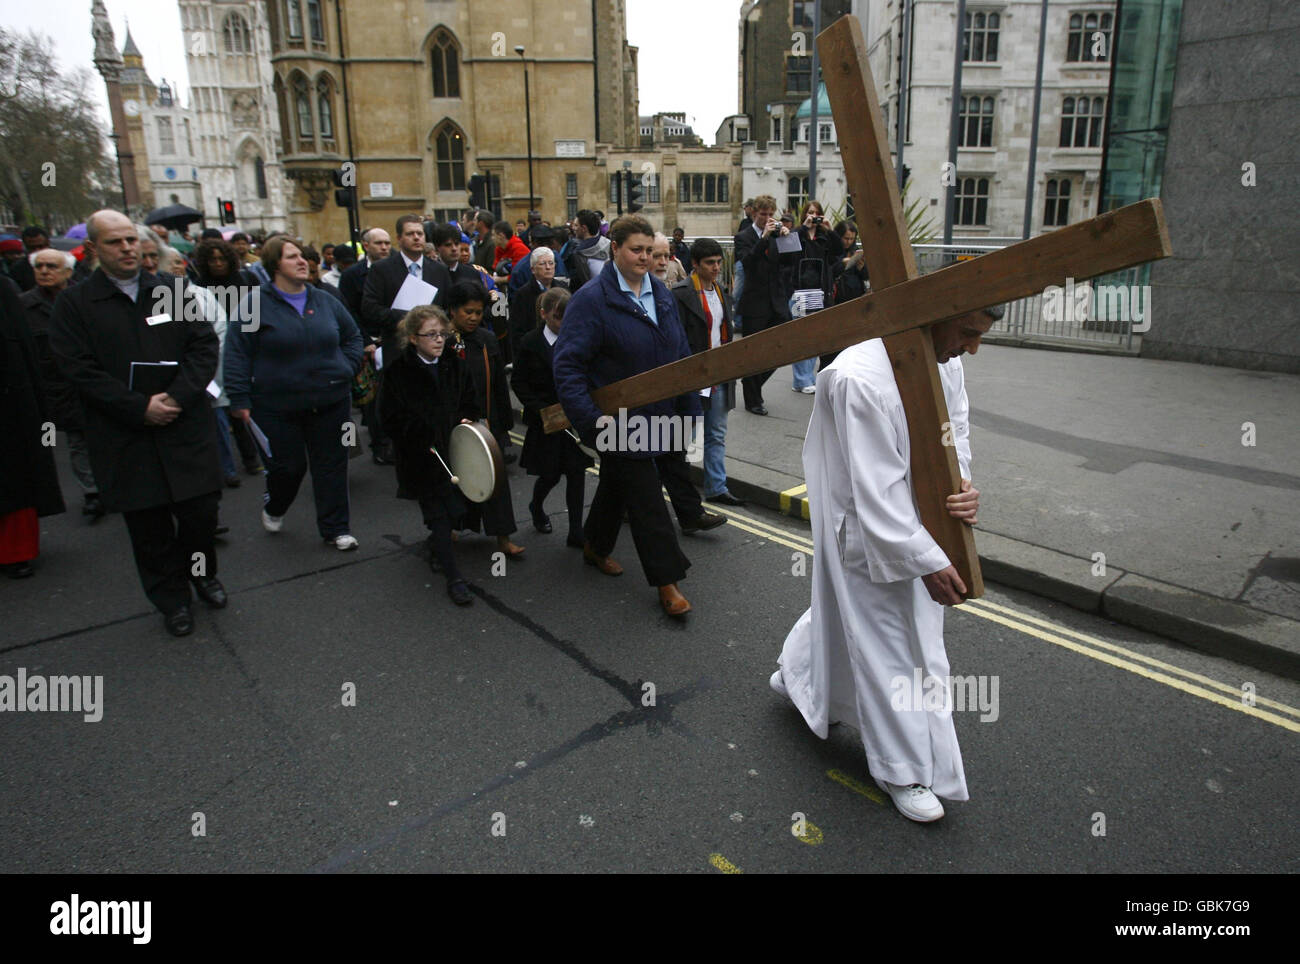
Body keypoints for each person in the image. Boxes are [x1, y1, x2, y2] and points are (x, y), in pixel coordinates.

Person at [770, 306, 999, 823]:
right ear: (939, 316)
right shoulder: (857, 378)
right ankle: (903, 770)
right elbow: (872, 486)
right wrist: (926, 560)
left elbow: (954, 432)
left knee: (856, 619)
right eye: (968, 333)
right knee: (894, 650)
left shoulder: (946, 359)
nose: (973, 348)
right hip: (869, 532)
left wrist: (960, 486)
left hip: (921, 526)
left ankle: (797, 672)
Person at [49, 210, 225, 636]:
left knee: (201, 514)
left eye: (131, 239)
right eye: (115, 242)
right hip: (125, 434)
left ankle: (201, 574)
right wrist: (137, 406)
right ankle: (172, 599)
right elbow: (79, 370)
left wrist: (176, 397)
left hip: (184, 425)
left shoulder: (171, 290)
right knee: (148, 527)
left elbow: (203, 348)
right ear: (93, 250)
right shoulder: (76, 304)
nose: (127, 249)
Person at [553, 215, 701, 617]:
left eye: (649, 251)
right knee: (647, 497)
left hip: (662, 414)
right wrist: (588, 419)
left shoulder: (661, 292)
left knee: (618, 487)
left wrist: (688, 407)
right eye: (636, 250)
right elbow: (567, 366)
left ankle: (595, 546)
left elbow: (680, 353)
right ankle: (668, 582)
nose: (644, 257)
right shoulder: (590, 300)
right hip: (615, 421)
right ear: (614, 249)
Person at [223, 236, 365, 551]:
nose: (302, 261)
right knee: (288, 467)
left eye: (302, 256)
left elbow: (353, 335)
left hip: (331, 399)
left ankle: (336, 529)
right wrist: (239, 398)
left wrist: (345, 367)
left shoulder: (325, 300)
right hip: (275, 404)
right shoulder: (253, 304)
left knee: (332, 464)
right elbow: (236, 353)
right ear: (274, 265)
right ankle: (275, 505)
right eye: (292, 257)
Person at [379, 305, 480, 606]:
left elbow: (470, 401)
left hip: (454, 452)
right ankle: (454, 579)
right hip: (421, 457)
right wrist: (419, 435)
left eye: (442, 334)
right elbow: (388, 418)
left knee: (454, 512)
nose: (439, 340)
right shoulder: (397, 373)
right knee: (439, 515)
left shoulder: (454, 364)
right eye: (431, 335)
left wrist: (467, 419)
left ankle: (437, 548)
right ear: (412, 338)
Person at [444, 280, 524, 558]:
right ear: (452, 310)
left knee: (495, 481)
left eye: (479, 312)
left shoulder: (486, 340)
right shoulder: (441, 342)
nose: (474, 317)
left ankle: (503, 538)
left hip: (487, 423)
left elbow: (500, 386)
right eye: (468, 312)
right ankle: (449, 532)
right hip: (454, 426)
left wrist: (503, 426)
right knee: (454, 480)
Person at [20, 248, 102, 518]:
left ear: (68, 271)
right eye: (39, 266)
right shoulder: (23, 306)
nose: (44, 271)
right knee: (77, 440)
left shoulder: (87, 298)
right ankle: (92, 492)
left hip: (94, 378)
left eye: (51, 266)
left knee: (104, 434)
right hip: (56, 385)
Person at [511, 287, 590, 546]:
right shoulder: (530, 342)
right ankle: (537, 506)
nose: (564, 324)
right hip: (545, 420)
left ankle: (576, 531)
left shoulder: (578, 340)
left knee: (576, 472)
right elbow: (520, 383)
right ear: (544, 314)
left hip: (573, 419)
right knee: (551, 475)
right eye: (558, 318)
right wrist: (540, 409)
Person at [1, 275, 66, 577]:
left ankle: (16, 551)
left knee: (14, 475)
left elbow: (21, 353)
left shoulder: (4, 290)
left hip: (10, 405)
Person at [671, 238, 743, 507]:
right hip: (694, 377)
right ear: (695, 264)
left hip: (720, 376)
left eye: (718, 262)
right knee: (685, 439)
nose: (715, 267)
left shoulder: (721, 291)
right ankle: (679, 492)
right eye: (709, 263)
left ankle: (716, 487)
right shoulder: (681, 294)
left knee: (716, 435)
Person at [734, 194, 799, 415]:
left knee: (783, 348)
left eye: (771, 214)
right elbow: (748, 262)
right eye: (763, 214)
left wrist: (787, 239)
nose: (767, 218)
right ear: (754, 213)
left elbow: (790, 262)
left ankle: (751, 383)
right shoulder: (744, 236)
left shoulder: (776, 235)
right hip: (755, 302)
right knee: (753, 353)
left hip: (778, 301)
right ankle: (754, 400)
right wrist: (764, 238)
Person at [789, 200, 842, 394]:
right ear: (804, 215)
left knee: (815, 336)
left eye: (816, 213)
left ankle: (805, 378)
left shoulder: (824, 235)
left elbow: (838, 251)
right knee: (802, 336)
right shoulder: (798, 233)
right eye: (810, 213)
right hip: (801, 289)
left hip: (820, 290)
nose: (813, 216)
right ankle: (802, 379)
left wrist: (829, 230)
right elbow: (787, 249)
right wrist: (804, 228)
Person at [508, 245, 559, 357]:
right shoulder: (522, 294)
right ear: (532, 269)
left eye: (551, 263)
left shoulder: (562, 289)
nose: (548, 267)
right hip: (534, 352)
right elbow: (517, 331)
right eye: (542, 264)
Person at [565, 209, 611, 289]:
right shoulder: (609, 244)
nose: (573, 228)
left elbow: (578, 282)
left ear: (584, 228)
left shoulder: (578, 253)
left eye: (576, 225)